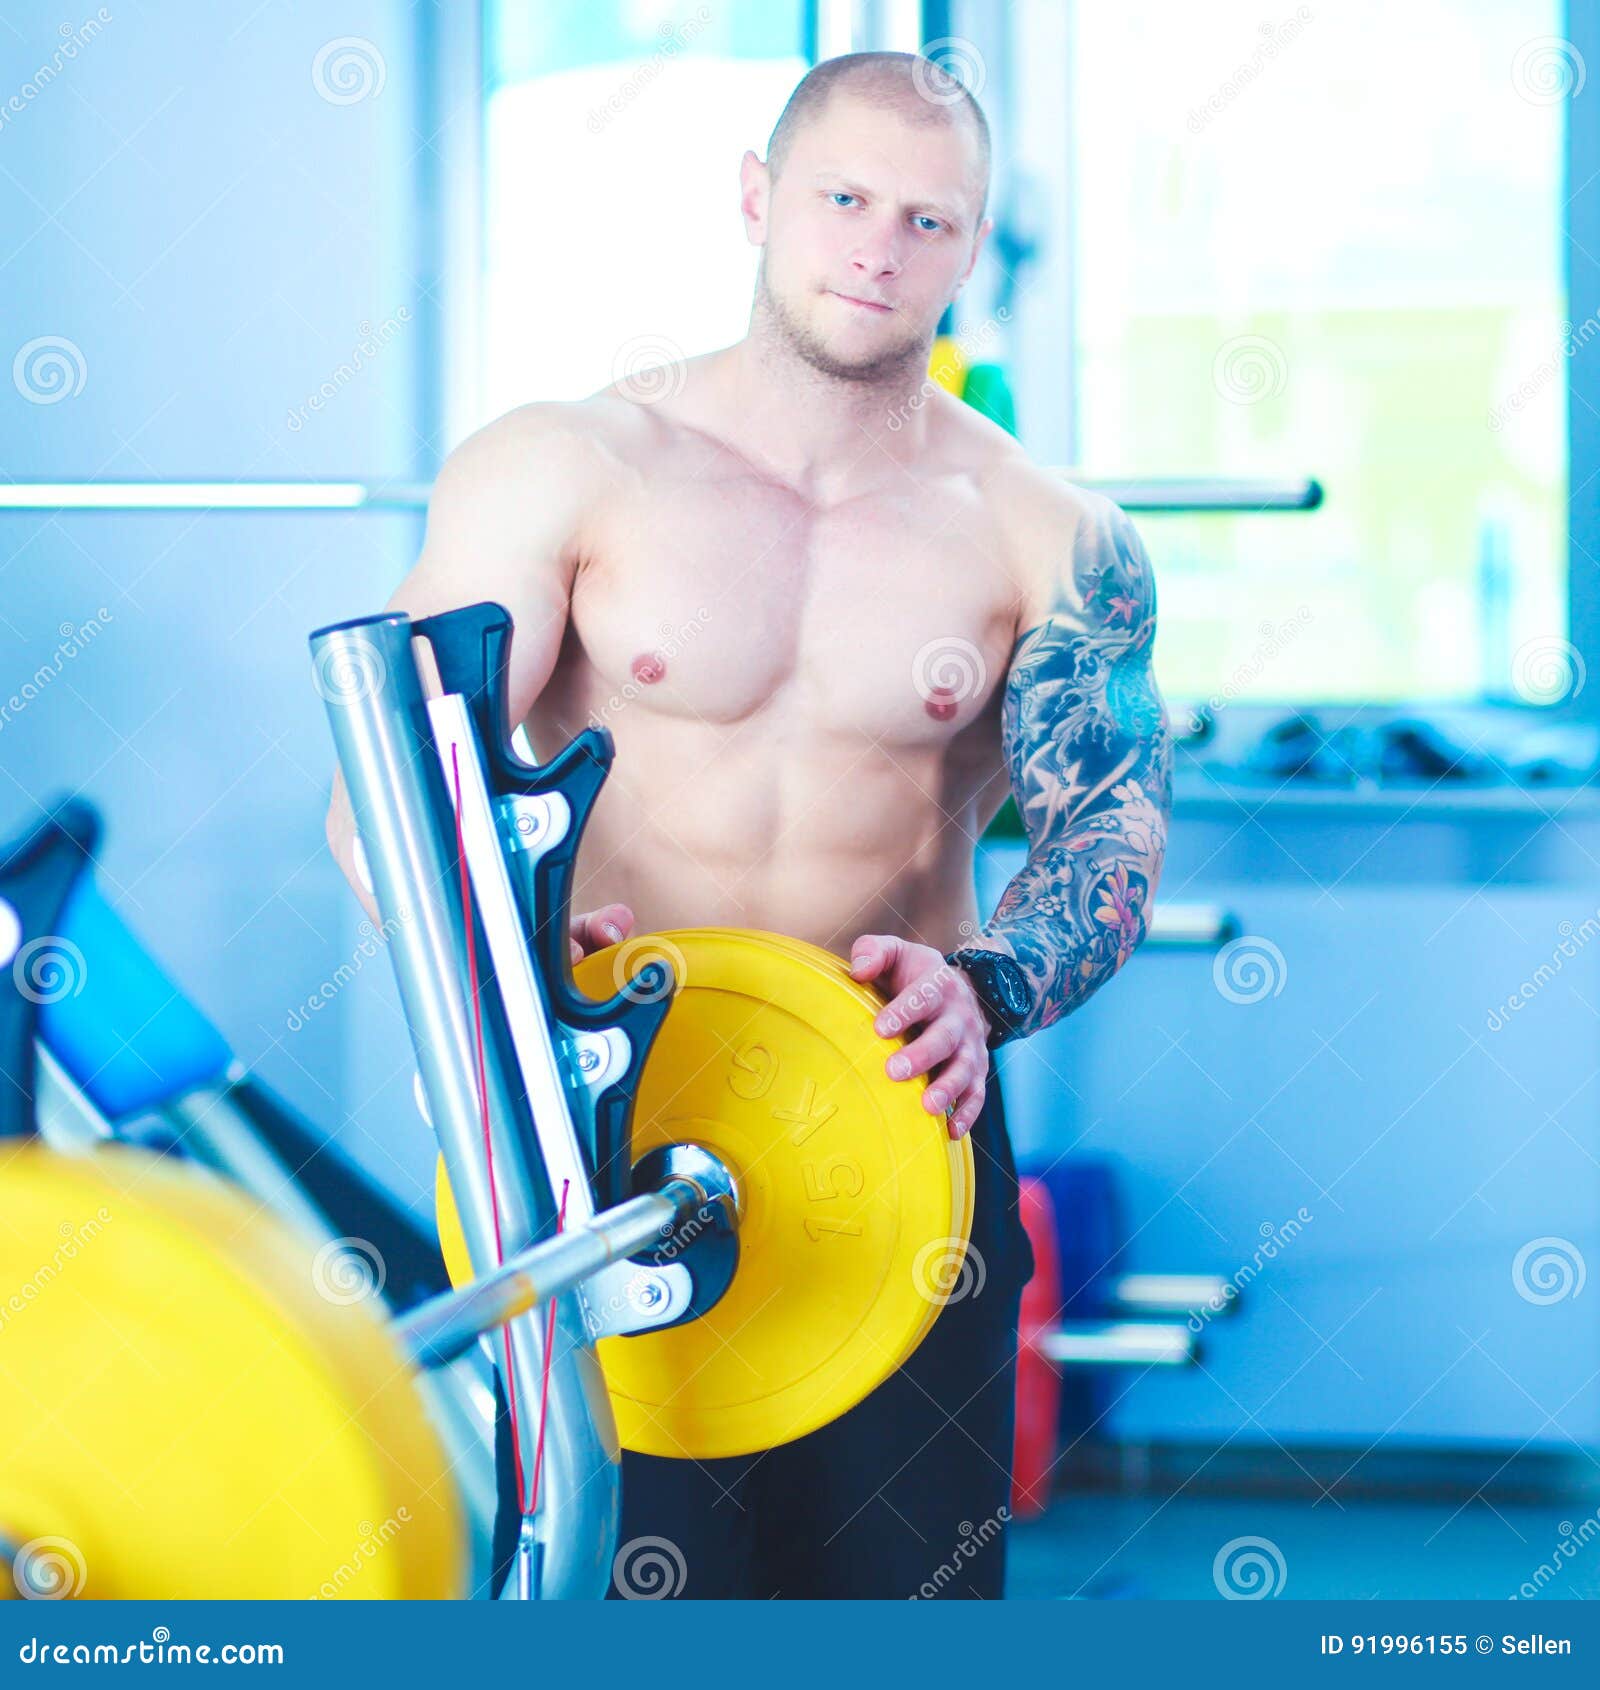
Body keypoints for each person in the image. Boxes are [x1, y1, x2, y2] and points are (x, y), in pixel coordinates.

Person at [326, 49, 1172, 1599]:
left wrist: (980, 986)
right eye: (844, 196)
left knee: (907, 1606)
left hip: (900, 1124)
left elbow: (1107, 840)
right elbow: (380, 800)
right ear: (756, 198)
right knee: (636, 1592)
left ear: (973, 247)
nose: (878, 243)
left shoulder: (1054, 533)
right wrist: (509, 949)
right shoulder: (563, 464)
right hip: (619, 1117)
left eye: (929, 218)